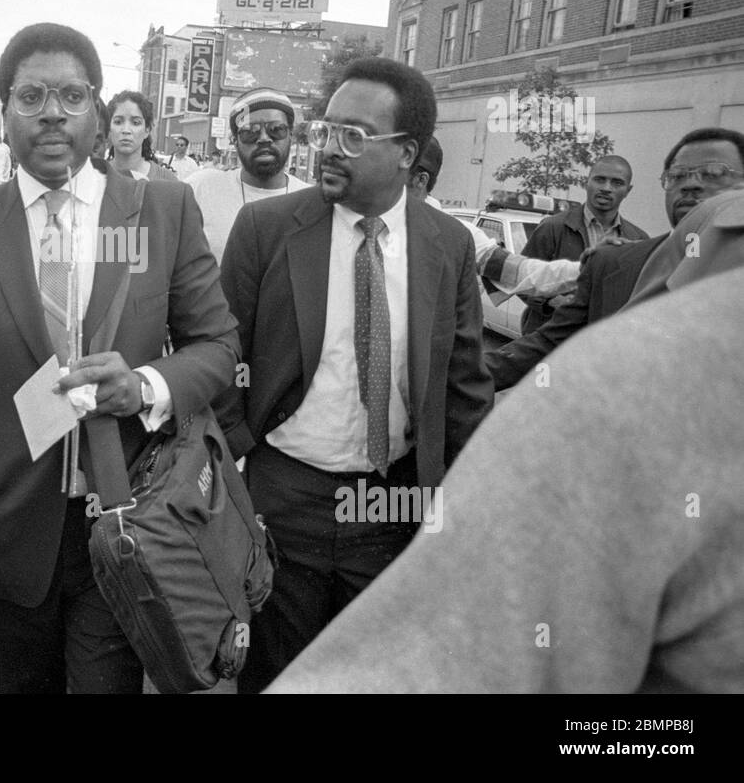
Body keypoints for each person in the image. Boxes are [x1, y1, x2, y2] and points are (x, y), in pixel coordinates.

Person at [0, 22, 240, 694]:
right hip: (8, 534)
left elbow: (218, 347)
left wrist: (142, 386)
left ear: (99, 113)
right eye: (31, 95)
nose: (51, 111)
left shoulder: (159, 211)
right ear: (3, 111)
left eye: (72, 94)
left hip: (131, 524)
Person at [269, 264, 744, 693]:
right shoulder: (610, 346)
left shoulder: (454, 243)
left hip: (401, 486)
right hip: (296, 485)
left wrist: (456, 397)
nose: (695, 189)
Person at [215, 56, 494, 694]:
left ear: (407, 154)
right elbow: (219, 351)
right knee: (277, 673)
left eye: (353, 136)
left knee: (373, 676)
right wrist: (240, 458)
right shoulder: (266, 228)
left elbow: (464, 387)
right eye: (325, 130)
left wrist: (468, 507)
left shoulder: (447, 245)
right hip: (284, 498)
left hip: (393, 502)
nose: (328, 150)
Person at [485, 127, 744, 390]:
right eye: (677, 176)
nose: (690, 184)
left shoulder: (637, 237)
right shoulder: (611, 261)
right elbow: (543, 345)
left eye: (713, 173)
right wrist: (460, 377)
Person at [409, 137, 581, 302]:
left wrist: (587, 268)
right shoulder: (383, 223)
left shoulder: (458, 237)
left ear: (420, 180)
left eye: (391, 171)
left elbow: (522, 272)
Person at [518, 154, 648, 333]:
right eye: (599, 180)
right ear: (587, 182)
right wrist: (551, 302)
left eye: (617, 183)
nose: (606, 188)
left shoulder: (638, 239)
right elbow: (521, 278)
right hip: (549, 343)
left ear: (628, 190)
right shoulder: (553, 227)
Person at [185, 86, 312, 258]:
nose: (264, 138)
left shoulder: (310, 201)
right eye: (250, 132)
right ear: (235, 140)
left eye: (276, 129)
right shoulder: (201, 188)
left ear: (291, 135)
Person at [106, 90, 178, 183]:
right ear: (108, 128)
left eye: (135, 123)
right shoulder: (92, 178)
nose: (126, 130)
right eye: (118, 122)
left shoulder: (168, 181)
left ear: (147, 130)